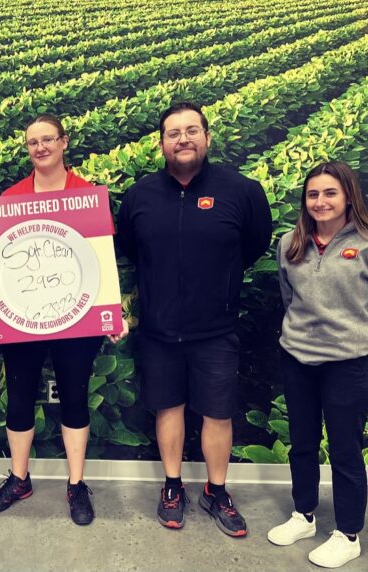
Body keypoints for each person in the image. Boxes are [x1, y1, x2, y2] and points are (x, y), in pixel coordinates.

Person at [117, 101, 271, 537]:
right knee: (169, 408)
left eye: (191, 131)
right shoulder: (140, 195)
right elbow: (131, 247)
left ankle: (216, 490)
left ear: (206, 137)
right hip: (159, 329)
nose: (182, 139)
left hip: (215, 329)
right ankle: (172, 486)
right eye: (173, 133)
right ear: (161, 143)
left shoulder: (241, 191)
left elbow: (254, 244)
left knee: (218, 414)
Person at [0, 114, 127, 526]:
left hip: (75, 319)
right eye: (32, 142)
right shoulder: (11, 197)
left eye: (47, 140)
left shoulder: (87, 197)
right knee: (20, 396)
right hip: (22, 320)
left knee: (75, 398)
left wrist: (113, 313)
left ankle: (76, 484)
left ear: (64, 142)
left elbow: (101, 261)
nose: (40, 147)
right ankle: (19, 478)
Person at [268, 161, 368, 568]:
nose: (320, 201)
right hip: (297, 360)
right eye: (313, 194)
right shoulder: (290, 243)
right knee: (303, 443)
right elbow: (288, 298)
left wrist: (364, 347)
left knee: (345, 450)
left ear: (348, 196)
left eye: (330, 193)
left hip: (347, 367)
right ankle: (304, 515)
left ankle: (348, 534)